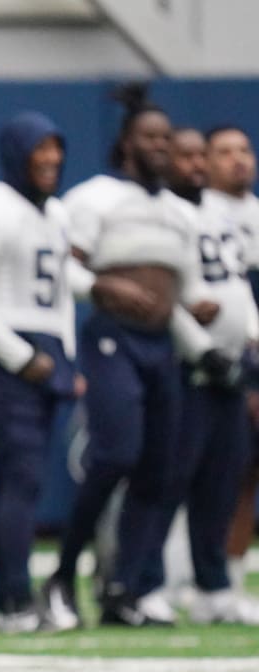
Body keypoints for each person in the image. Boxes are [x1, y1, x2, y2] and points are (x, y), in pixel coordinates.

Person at [37, 86, 204, 628]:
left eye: (166, 138)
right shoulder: (96, 197)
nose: (160, 147)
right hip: (113, 337)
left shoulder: (179, 212)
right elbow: (66, 267)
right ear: (126, 144)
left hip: (161, 346)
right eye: (149, 138)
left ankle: (124, 587)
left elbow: (177, 294)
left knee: (160, 470)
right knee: (115, 455)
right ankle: (62, 575)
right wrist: (107, 289)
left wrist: (197, 327)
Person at [0, 111, 83, 633]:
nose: (51, 159)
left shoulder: (53, 214)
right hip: (7, 361)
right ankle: (11, 602)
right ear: (16, 153)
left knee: (26, 482)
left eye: (56, 147)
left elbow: (62, 288)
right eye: (39, 149)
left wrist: (65, 357)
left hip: (45, 355)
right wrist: (23, 357)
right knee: (19, 481)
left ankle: (14, 600)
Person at [134, 126, 259, 625]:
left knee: (221, 482)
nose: (195, 166)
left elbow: (236, 287)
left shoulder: (220, 217)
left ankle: (214, 587)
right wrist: (201, 344)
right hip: (185, 367)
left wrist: (248, 340)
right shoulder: (163, 214)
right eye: (192, 156)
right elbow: (163, 290)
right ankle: (151, 582)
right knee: (170, 480)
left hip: (233, 367)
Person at [202, 125, 259, 617]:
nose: (238, 160)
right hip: (214, 359)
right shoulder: (198, 213)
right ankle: (192, 577)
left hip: (248, 358)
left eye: (244, 150)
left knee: (246, 472)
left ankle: (229, 580)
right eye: (224, 151)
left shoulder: (256, 215)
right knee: (212, 471)